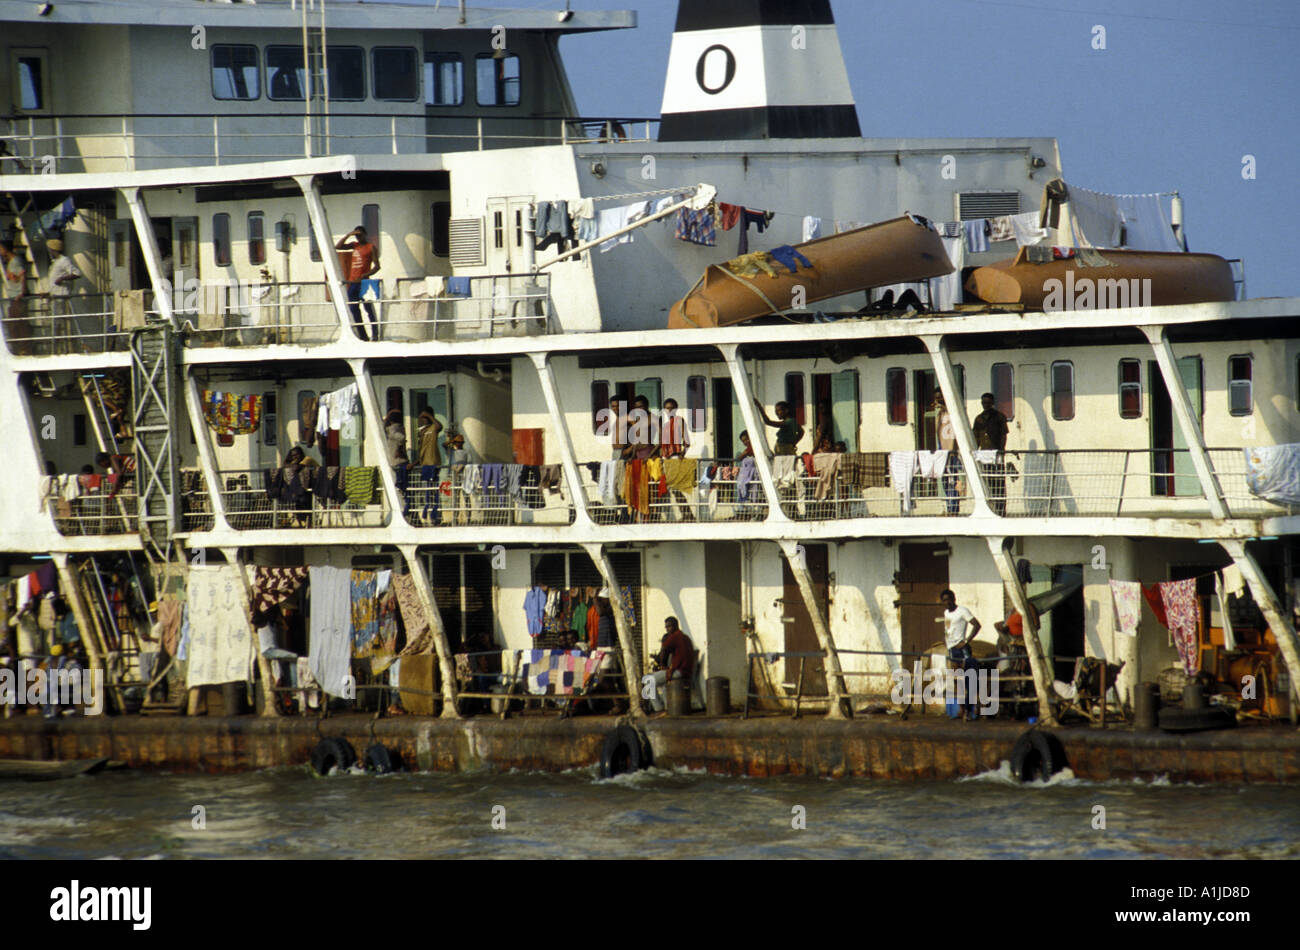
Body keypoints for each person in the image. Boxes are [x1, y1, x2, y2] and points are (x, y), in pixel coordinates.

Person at [940, 589, 981, 721]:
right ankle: (962, 709)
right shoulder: (946, 613)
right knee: (958, 681)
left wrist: (967, 641)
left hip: (962, 649)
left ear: (954, 599)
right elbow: (948, 630)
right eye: (944, 600)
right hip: (952, 650)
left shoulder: (962, 611)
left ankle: (971, 710)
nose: (947, 602)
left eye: (949, 599)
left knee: (970, 679)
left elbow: (977, 625)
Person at [334, 225, 380, 341]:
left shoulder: (371, 247)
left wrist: (364, 275)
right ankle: (363, 336)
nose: (359, 238)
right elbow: (338, 247)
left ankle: (375, 335)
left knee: (368, 309)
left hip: (364, 283)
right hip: (353, 282)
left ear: (365, 235)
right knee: (354, 309)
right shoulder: (355, 245)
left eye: (360, 235)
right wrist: (349, 235)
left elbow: (377, 267)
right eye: (357, 236)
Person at [972, 392, 1009, 516]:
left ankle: (1001, 510)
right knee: (987, 482)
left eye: (988, 403)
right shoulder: (978, 419)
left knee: (999, 483)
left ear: (992, 403)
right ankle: (991, 510)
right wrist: (975, 452)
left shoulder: (999, 417)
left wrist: (1001, 451)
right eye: (983, 403)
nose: (985, 405)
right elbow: (976, 437)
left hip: (996, 454)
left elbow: (1003, 435)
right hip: (984, 455)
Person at [649, 616, 695, 713]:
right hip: (686, 671)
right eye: (666, 627)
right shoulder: (686, 638)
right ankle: (667, 707)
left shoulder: (674, 637)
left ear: (675, 626)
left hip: (679, 671)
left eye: (669, 626)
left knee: (647, 680)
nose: (667, 629)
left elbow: (664, 651)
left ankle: (658, 709)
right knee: (661, 682)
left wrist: (662, 665)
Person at [935, 393, 962, 515]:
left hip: (953, 453)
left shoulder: (954, 412)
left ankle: (953, 509)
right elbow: (938, 435)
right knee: (945, 481)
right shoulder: (939, 414)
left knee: (953, 480)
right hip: (943, 453)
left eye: (940, 397)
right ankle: (949, 506)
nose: (938, 400)